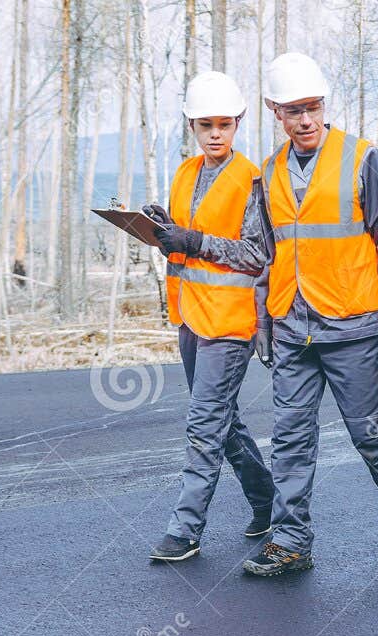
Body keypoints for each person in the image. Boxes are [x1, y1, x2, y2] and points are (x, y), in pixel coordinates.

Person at [238, 51, 378, 578]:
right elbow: (265, 252)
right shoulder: (271, 171)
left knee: (369, 432)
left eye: (313, 107)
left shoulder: (361, 158)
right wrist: (262, 319)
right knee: (291, 439)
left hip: (351, 323)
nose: (305, 120)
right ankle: (291, 540)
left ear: (324, 105)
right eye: (293, 110)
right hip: (292, 325)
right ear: (275, 111)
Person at [145, 71, 277, 564]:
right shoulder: (184, 173)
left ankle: (185, 531)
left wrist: (193, 241)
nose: (215, 133)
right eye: (206, 125)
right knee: (225, 422)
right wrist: (162, 227)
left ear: (238, 123)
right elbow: (184, 240)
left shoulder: (251, 180)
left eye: (224, 124)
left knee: (203, 424)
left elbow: (255, 253)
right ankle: (267, 501)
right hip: (190, 317)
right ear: (192, 126)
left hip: (230, 323)